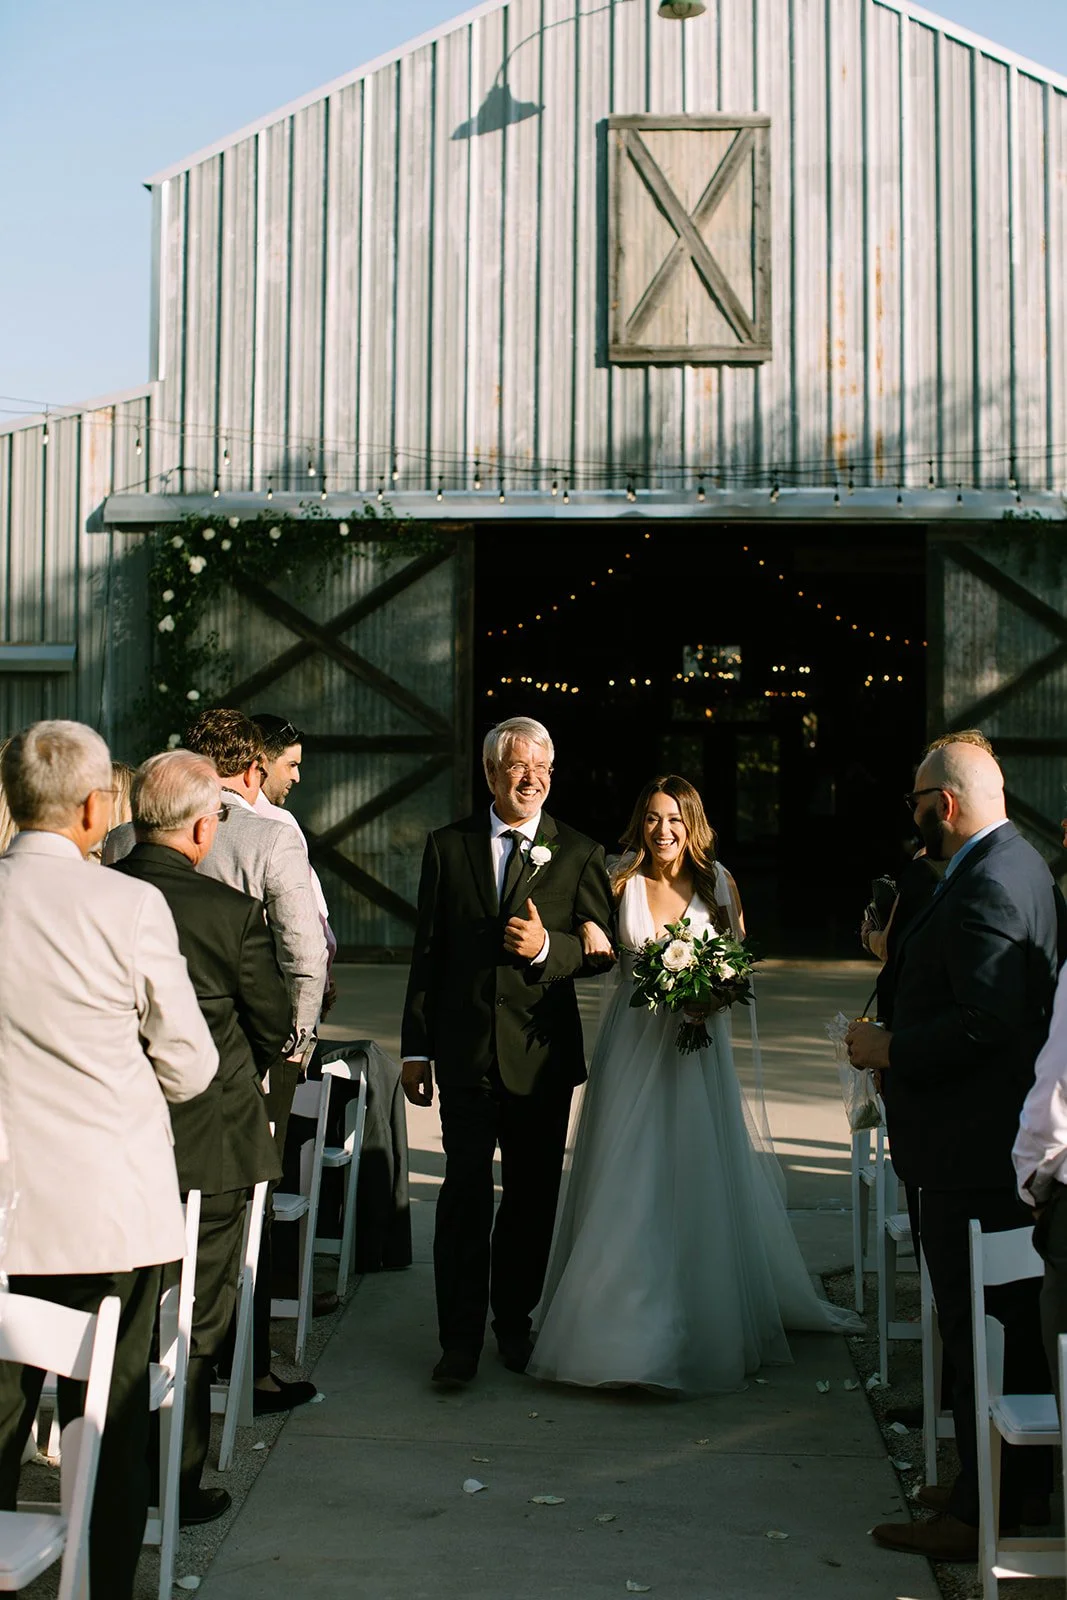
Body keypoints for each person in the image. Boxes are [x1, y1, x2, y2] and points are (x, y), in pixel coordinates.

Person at [528, 775, 861, 1395]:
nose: (662, 832)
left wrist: (711, 997)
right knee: (626, 1179)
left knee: (694, 1172)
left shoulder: (718, 884)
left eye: (675, 821)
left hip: (695, 1053)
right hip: (631, 1050)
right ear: (640, 822)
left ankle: (698, 1316)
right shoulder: (617, 877)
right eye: (653, 818)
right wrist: (586, 936)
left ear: (692, 824)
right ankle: (614, 1332)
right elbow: (593, 949)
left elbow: (738, 964)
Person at [0, 720, 218, 1600]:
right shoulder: (127, 906)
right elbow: (191, 1063)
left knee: (2, 1415)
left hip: (7, 1213)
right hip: (109, 1214)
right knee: (113, 1421)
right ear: (97, 808)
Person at [848, 740, 1065, 1562]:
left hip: (968, 1150)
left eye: (914, 802)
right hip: (976, 1143)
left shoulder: (986, 882)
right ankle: (1004, 1487)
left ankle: (982, 1515)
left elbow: (987, 1021)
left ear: (942, 803)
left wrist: (891, 1049)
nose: (911, 817)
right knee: (1000, 1324)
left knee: (982, 1328)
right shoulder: (1019, 863)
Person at [401, 715, 615, 1388]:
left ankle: (513, 1324)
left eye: (543, 768)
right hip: (465, 1054)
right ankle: (457, 1343)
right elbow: (428, 953)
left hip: (540, 1058)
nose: (532, 779)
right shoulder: (448, 846)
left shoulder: (577, 851)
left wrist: (549, 950)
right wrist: (415, 1048)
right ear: (491, 773)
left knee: (529, 1200)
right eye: (519, 767)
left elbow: (602, 950)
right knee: (463, 1197)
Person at [110, 750, 296, 1521]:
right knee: (195, 1317)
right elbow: (275, 1023)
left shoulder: (102, 894)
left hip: (116, 1139)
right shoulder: (229, 912)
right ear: (198, 826)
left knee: (120, 1315)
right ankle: (174, 1485)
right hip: (209, 1140)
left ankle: (111, 1470)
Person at [251, 711, 337, 1003]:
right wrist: (321, 981)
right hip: (279, 984)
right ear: (262, 762)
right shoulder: (279, 822)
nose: (296, 776)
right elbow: (307, 916)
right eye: (291, 765)